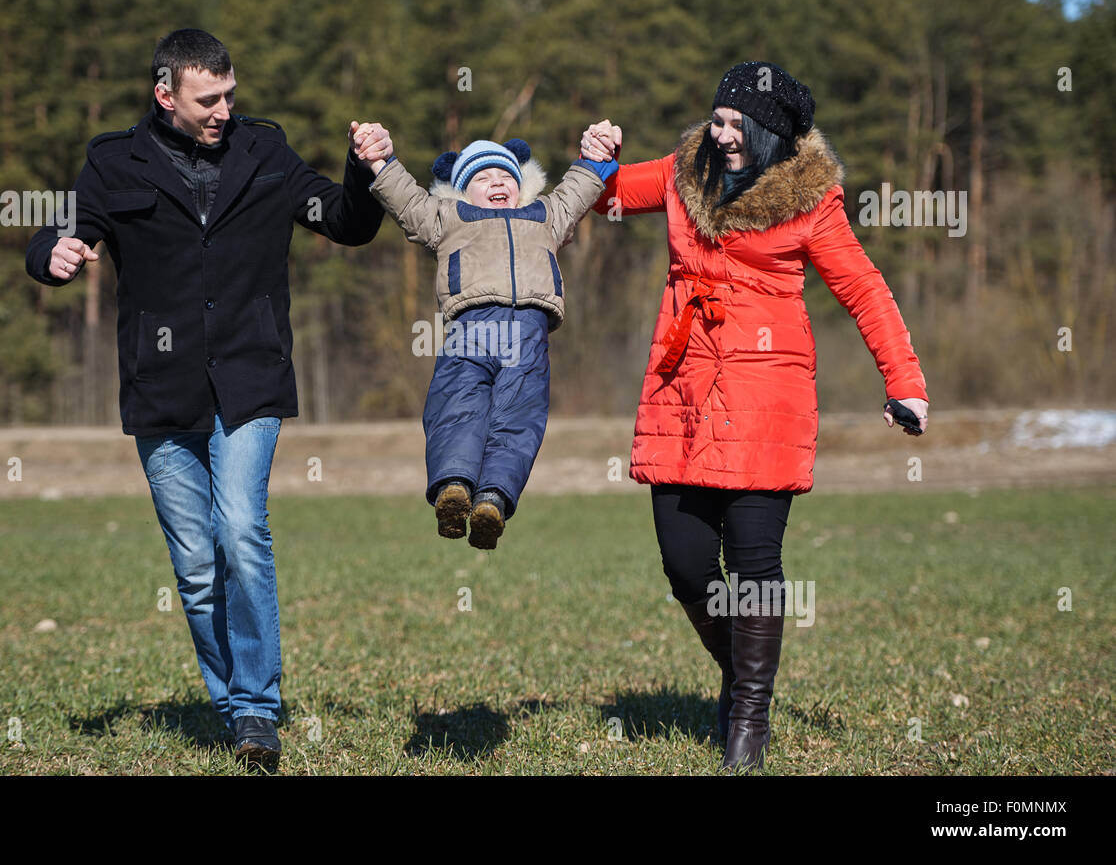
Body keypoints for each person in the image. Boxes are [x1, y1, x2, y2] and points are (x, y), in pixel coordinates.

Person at [25, 28, 391, 767]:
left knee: (240, 530)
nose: (225, 108)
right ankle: (231, 703)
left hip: (250, 376)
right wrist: (51, 254)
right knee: (195, 565)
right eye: (208, 98)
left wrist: (365, 171)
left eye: (230, 93)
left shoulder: (264, 149)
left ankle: (257, 708)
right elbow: (66, 231)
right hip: (161, 390)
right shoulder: (112, 160)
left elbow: (344, 223)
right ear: (166, 97)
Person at [580, 61, 929, 771]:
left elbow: (863, 287)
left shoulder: (810, 202)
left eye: (740, 124)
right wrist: (596, 158)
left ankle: (748, 718)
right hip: (680, 391)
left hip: (767, 397)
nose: (724, 133)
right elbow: (606, 197)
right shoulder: (685, 174)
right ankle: (741, 666)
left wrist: (906, 381)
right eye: (719, 118)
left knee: (754, 560)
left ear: (773, 133)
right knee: (684, 564)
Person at [368, 138, 617, 549]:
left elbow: (580, 186)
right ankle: (454, 488)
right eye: (483, 177)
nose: (497, 182)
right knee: (456, 405)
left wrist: (598, 152)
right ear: (463, 189)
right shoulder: (449, 217)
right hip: (471, 327)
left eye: (506, 175)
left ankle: (492, 501)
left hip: (529, 335)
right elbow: (407, 201)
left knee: (518, 419)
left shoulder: (546, 214)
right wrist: (380, 160)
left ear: (522, 184)